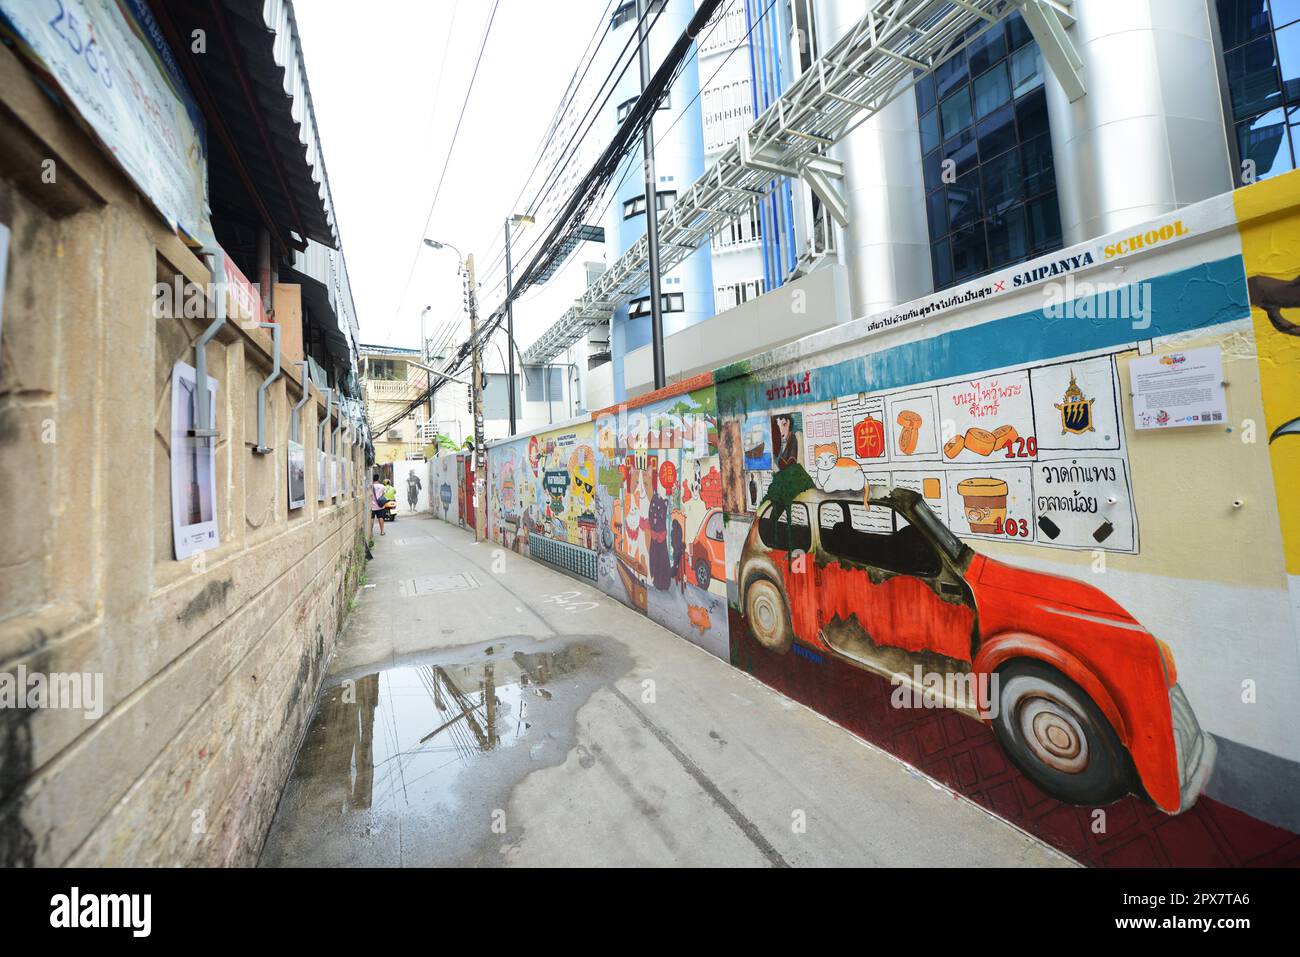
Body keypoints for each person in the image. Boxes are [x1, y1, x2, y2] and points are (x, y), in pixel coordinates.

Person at [369, 473, 387, 543]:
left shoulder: (371, 486)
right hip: (380, 505)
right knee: (381, 518)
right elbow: (383, 494)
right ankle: (382, 531)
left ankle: (371, 533)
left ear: (372, 479)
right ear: (378, 478)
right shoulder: (382, 486)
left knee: (372, 518)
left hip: (372, 506)